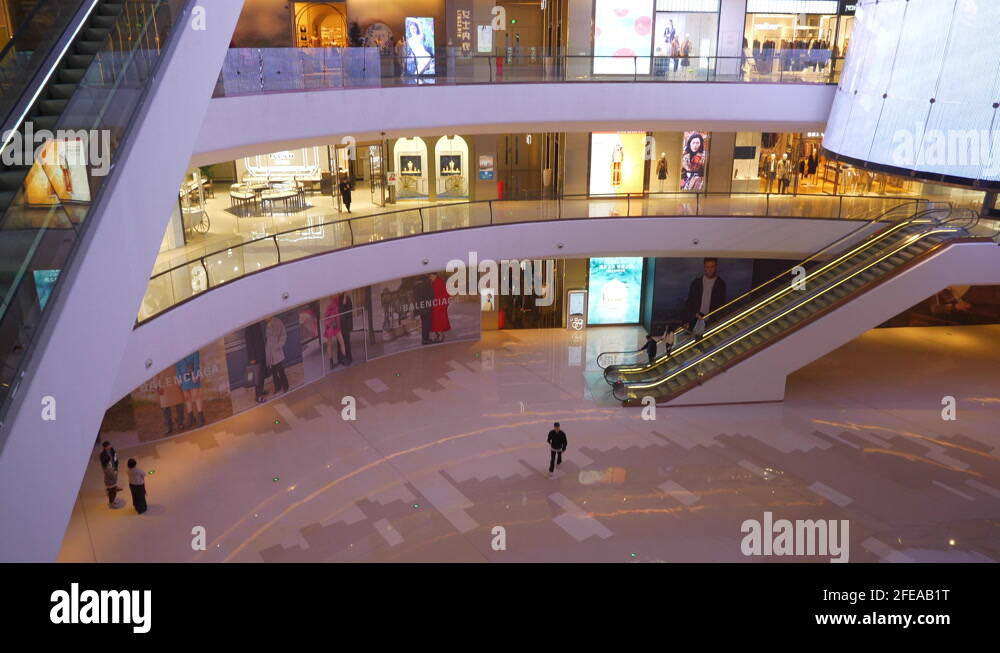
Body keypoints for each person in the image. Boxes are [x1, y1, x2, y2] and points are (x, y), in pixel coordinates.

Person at [683, 258, 727, 335]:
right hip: (696, 320)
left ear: (716, 267)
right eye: (707, 267)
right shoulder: (696, 283)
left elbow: (721, 304)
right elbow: (690, 302)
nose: (709, 270)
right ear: (704, 267)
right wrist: (692, 315)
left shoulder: (720, 284)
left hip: (712, 321)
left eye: (712, 267)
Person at [175, 351, 205, 428]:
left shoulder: (193, 347)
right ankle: (191, 418)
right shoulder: (177, 350)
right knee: (187, 397)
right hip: (183, 376)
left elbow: (196, 362)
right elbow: (177, 365)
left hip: (193, 374)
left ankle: (201, 418)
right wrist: (178, 377)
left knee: (196, 396)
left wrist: (195, 374)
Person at [244, 321, 268, 403]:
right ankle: (258, 397)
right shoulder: (248, 328)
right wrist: (252, 359)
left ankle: (261, 391)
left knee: (262, 375)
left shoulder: (257, 324)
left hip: (261, 354)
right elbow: (249, 345)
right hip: (256, 358)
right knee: (258, 377)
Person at [265, 315, 289, 394]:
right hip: (270, 351)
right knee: (273, 371)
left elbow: (283, 335)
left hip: (276, 350)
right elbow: (268, 338)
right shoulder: (267, 324)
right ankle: (277, 386)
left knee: (280, 369)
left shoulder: (277, 322)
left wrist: (278, 345)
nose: (265, 318)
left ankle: (285, 386)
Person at [323, 295, 347, 370]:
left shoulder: (333, 301)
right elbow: (325, 316)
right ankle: (340, 360)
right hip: (332, 325)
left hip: (332, 325)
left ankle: (333, 362)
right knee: (339, 342)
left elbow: (325, 316)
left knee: (336, 343)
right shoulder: (333, 301)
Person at [99, 441, 123, 509]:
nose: (110, 446)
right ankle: (111, 492)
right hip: (109, 470)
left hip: (114, 466)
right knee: (111, 479)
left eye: (110, 445)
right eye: (108, 446)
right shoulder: (102, 455)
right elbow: (105, 465)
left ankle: (115, 486)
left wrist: (116, 463)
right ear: (105, 447)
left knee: (115, 476)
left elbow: (115, 456)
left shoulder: (112, 450)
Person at [429, 272, 452, 342]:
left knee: (438, 322)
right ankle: (439, 335)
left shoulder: (439, 283)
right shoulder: (435, 282)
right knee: (435, 322)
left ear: (434, 275)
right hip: (437, 305)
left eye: (431, 276)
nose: (430, 278)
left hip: (439, 306)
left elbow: (443, 293)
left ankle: (440, 336)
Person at [412, 274, 434, 344]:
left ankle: (424, 338)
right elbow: (431, 295)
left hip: (420, 308)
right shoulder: (426, 284)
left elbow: (415, 297)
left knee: (424, 324)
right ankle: (425, 339)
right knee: (426, 324)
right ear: (426, 279)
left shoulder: (416, 286)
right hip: (426, 307)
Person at [339, 292, 354, 365]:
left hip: (345, 325)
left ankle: (348, 358)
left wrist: (349, 326)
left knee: (346, 342)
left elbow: (349, 313)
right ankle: (341, 358)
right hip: (341, 325)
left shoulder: (347, 299)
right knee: (341, 342)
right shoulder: (339, 299)